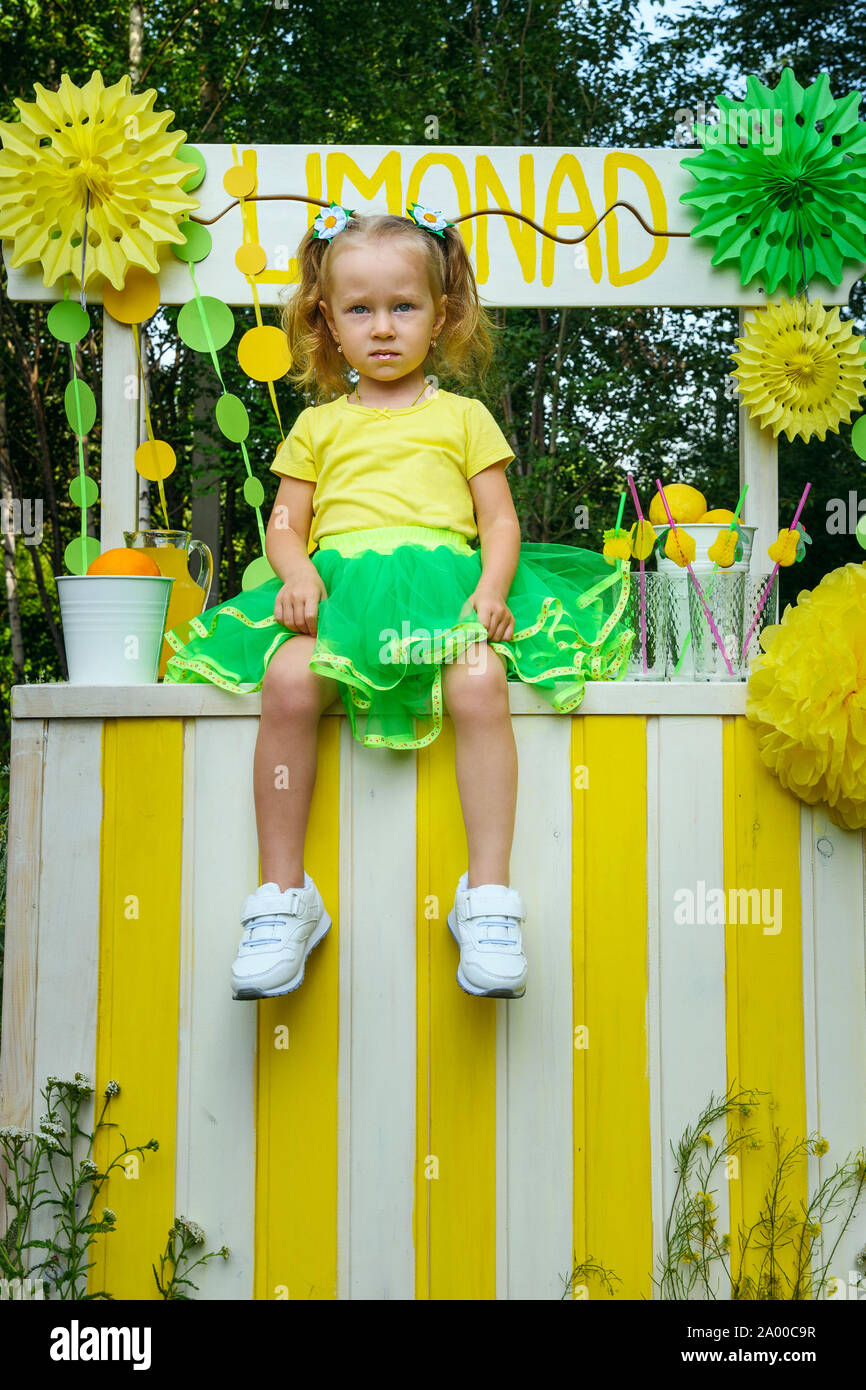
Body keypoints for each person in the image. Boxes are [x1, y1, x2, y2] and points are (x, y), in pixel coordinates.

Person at [163, 201, 633, 1003]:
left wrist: (490, 589)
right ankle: (283, 898)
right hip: (341, 596)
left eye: (404, 306)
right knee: (287, 683)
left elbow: (498, 520)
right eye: (360, 310)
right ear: (327, 323)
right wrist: (298, 573)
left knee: (480, 683)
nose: (383, 327)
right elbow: (286, 523)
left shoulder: (463, 417)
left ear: (440, 314)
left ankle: (488, 899)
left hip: (443, 592)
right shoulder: (316, 425)